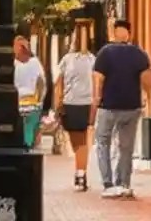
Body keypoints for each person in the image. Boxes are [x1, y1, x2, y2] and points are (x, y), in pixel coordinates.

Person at [91, 19, 151, 198]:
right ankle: (124, 183)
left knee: (103, 143)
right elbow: (148, 82)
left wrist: (94, 105)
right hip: (131, 107)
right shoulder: (139, 54)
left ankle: (108, 183)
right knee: (126, 147)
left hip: (108, 107)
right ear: (129, 33)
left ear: (114, 32)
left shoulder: (104, 53)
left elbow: (98, 81)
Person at [54, 21, 96, 191]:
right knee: (75, 141)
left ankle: (81, 173)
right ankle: (80, 171)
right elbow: (59, 82)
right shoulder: (67, 59)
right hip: (70, 103)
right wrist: (58, 102)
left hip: (86, 103)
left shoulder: (93, 59)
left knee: (83, 140)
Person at [13, 36, 45, 149]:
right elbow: (42, 83)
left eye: (15, 48)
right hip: (22, 105)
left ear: (21, 48)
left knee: (27, 136)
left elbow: (41, 84)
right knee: (26, 135)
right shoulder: (16, 63)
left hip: (28, 104)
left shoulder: (33, 63)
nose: (13, 51)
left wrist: (39, 102)